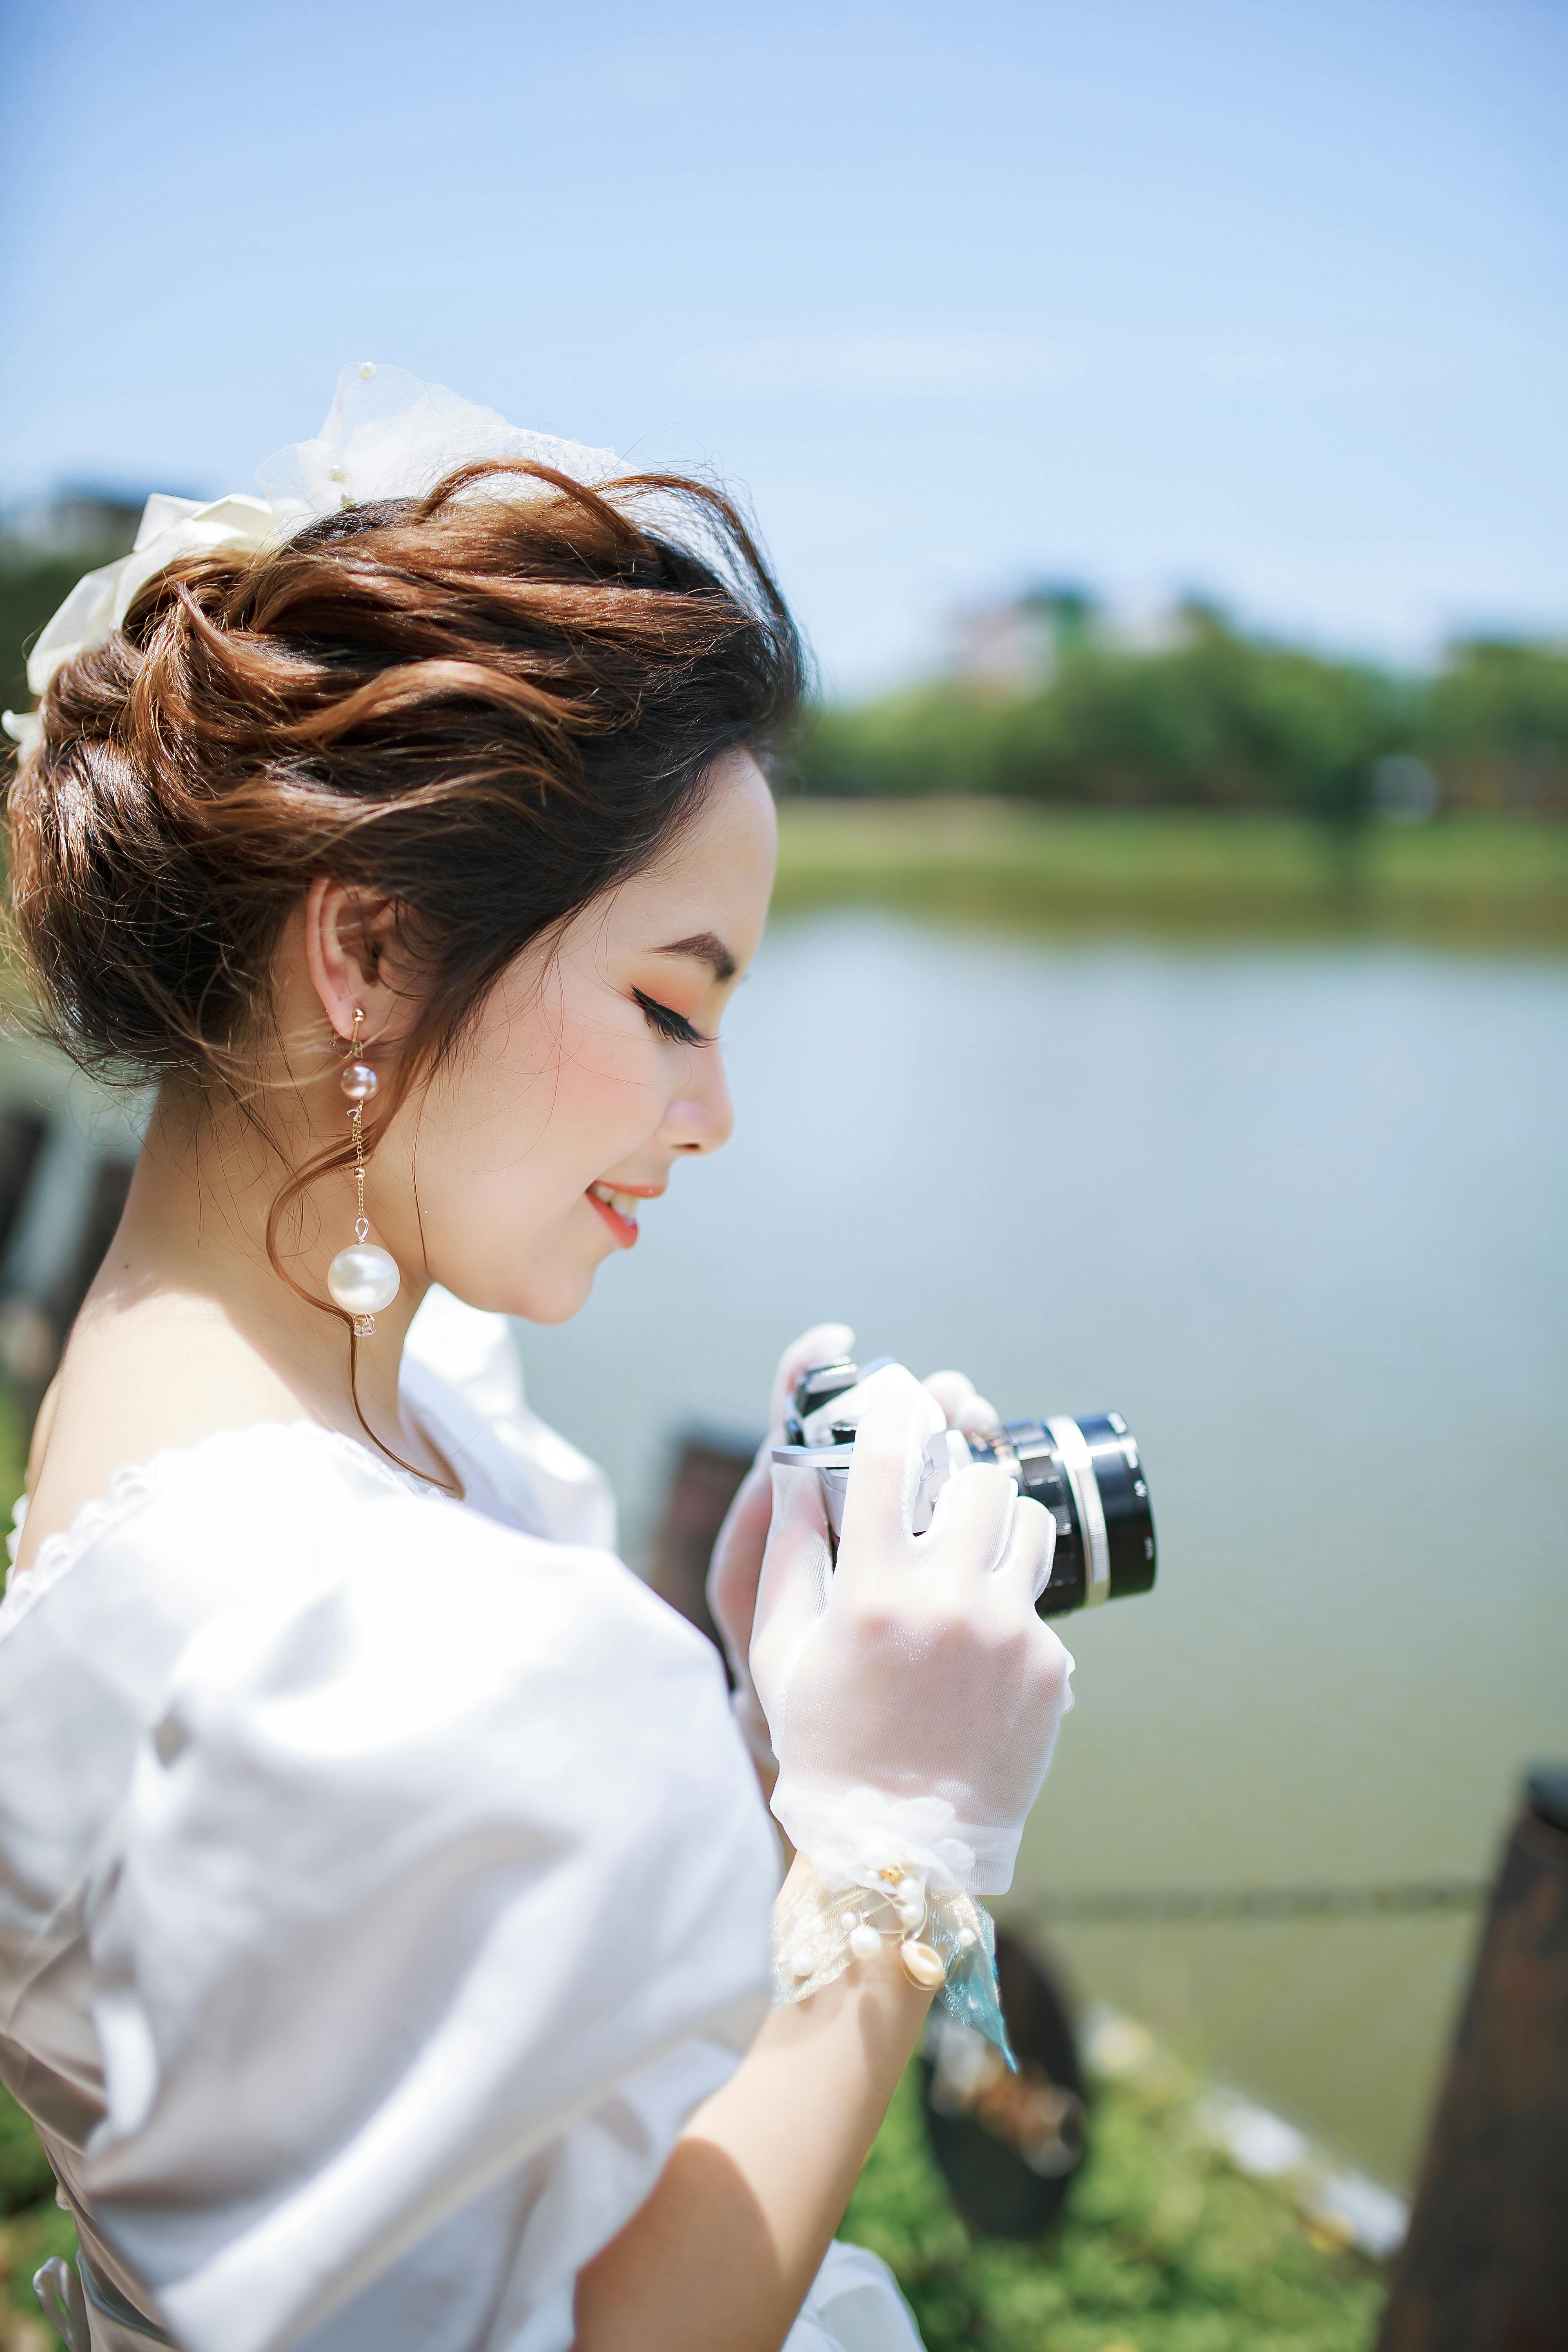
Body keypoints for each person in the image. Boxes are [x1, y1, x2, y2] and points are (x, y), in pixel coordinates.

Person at [0, 366, 1074, 2352]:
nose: (714, 1112)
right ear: (375, 951)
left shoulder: (218, 1400)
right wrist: (901, 1858)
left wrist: (762, 1737)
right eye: (673, 1005)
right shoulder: (367, 1626)